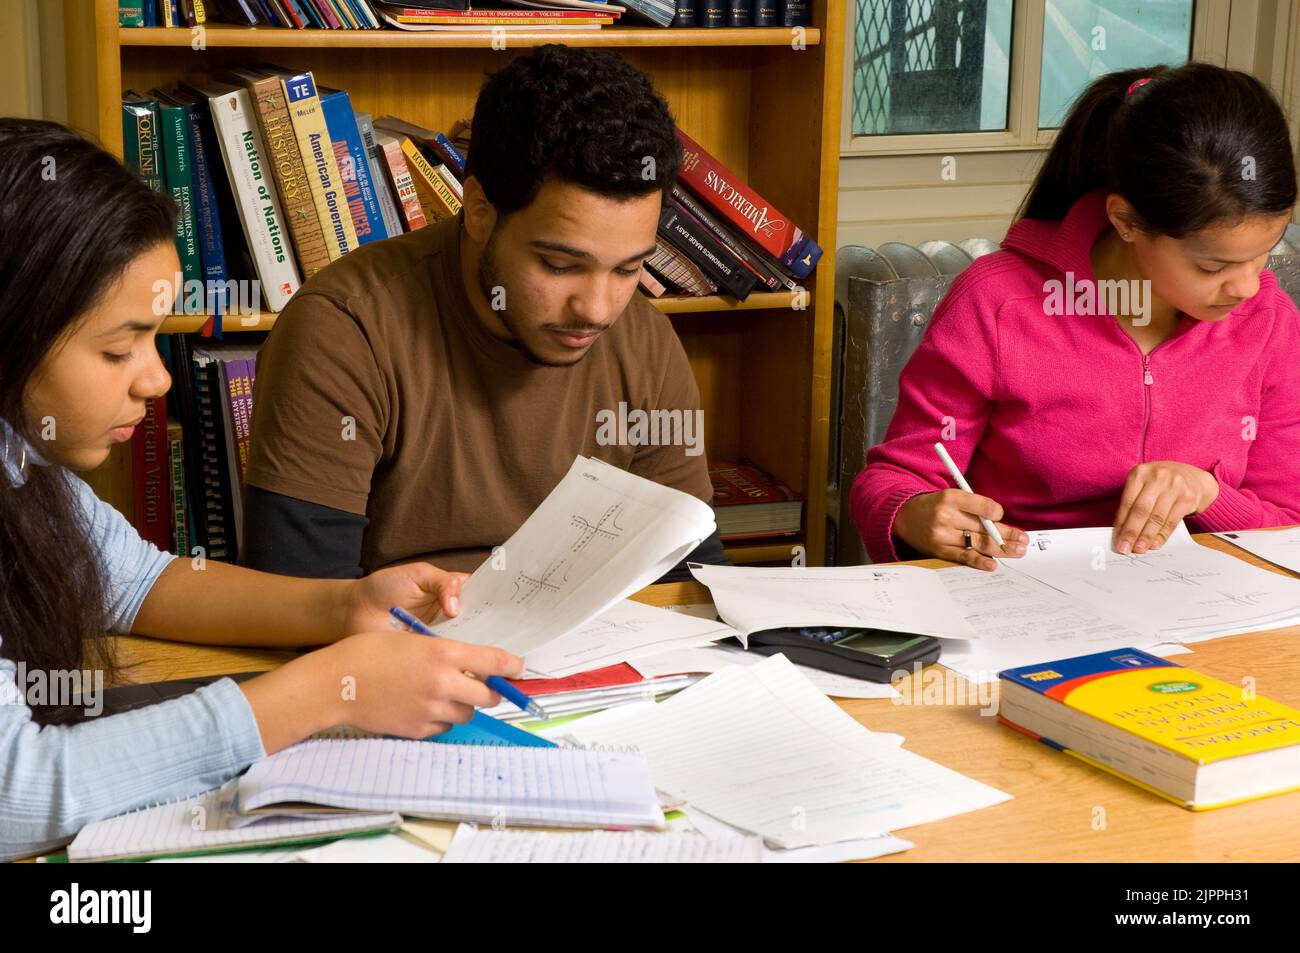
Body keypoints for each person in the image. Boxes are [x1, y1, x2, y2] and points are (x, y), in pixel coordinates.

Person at [0, 118, 522, 861]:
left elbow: (133, 578)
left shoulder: (22, 454)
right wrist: (327, 687)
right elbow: (17, 796)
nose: (157, 379)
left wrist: (344, 606)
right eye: (119, 348)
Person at [853, 63, 1300, 571]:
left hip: (1204, 615)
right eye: (1213, 265)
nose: (1247, 286)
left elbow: (1288, 524)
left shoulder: (1268, 320)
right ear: (1126, 221)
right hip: (1024, 601)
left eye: (1265, 252)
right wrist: (912, 514)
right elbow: (894, 479)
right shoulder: (999, 303)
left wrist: (1208, 493)